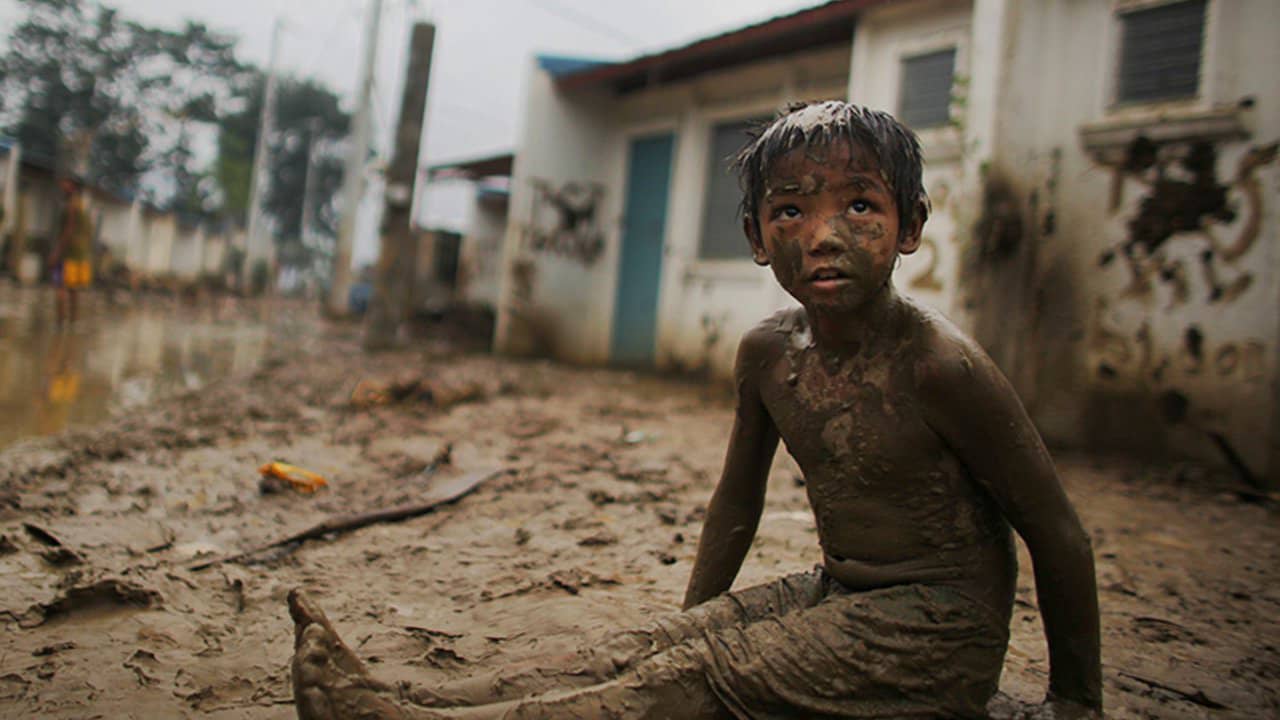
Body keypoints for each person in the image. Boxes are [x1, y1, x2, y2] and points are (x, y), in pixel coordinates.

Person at [287, 101, 1102, 719]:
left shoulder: (940, 367)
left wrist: (1077, 706)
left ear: (909, 226)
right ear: (756, 234)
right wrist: (692, 626)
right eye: (791, 210)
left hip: (936, 637)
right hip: (841, 591)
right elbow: (737, 500)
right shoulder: (771, 355)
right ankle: (403, 695)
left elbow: (1058, 532)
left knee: (697, 678)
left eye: (859, 206)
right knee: (656, 648)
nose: (823, 235)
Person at [50, 178, 94, 324]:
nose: (61, 185)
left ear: (72, 186)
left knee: (60, 285)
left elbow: (69, 229)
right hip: (81, 252)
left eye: (65, 182)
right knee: (74, 288)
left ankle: (60, 322)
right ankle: (73, 321)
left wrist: (56, 251)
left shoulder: (71, 205)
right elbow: (88, 231)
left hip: (68, 251)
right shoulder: (83, 204)